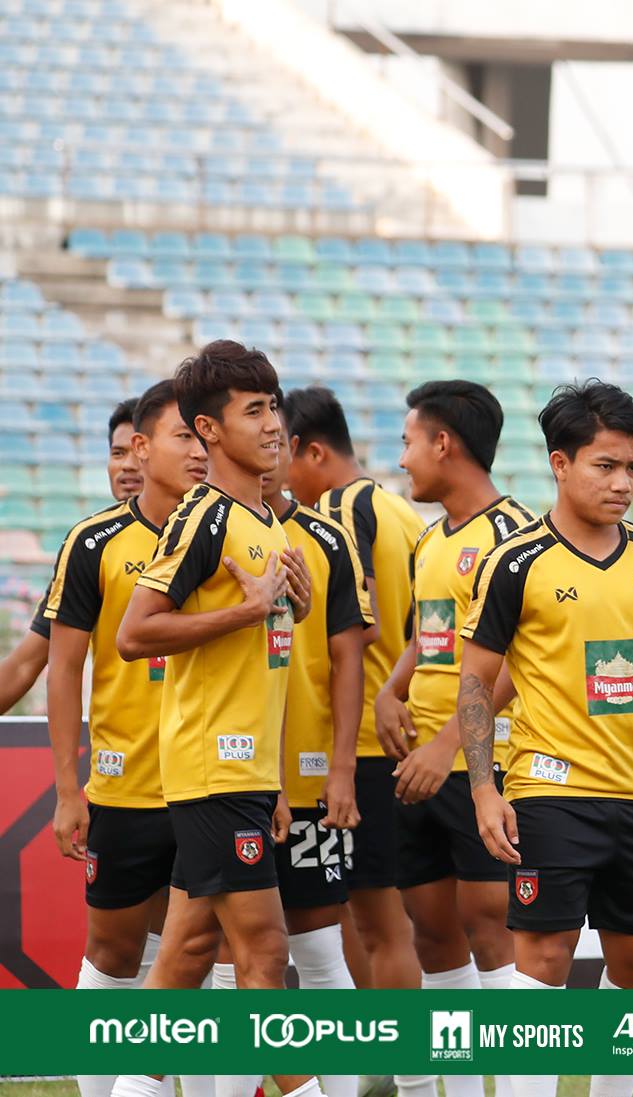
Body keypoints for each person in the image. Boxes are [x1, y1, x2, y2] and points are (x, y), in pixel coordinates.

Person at [457, 381, 633, 1097]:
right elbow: (477, 682)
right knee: (544, 960)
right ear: (560, 463)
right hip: (549, 791)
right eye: (605, 465)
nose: (623, 482)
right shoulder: (516, 562)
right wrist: (485, 788)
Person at [111, 341, 328, 1097]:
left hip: (239, 773)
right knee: (264, 957)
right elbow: (134, 633)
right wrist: (246, 608)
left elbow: (259, 670)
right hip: (210, 767)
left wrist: (269, 779)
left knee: (186, 957)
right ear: (209, 429)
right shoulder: (203, 519)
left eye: (275, 405)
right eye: (254, 411)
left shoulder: (266, 522)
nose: (275, 425)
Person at [44, 382, 205, 1097]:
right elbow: (63, 666)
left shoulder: (228, 533)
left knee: (211, 957)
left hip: (214, 787)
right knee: (112, 953)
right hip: (125, 788)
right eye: (183, 437)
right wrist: (66, 788)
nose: (199, 451)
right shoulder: (94, 541)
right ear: (142, 447)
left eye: (205, 437)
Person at [376, 381, 533, 1097]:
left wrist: (447, 746)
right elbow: (429, 631)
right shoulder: (432, 537)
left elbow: (517, 663)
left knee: (489, 924)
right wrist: (392, 687)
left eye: (409, 441)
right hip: (418, 767)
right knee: (431, 930)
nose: (402, 458)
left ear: (445, 443)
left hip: (482, 765)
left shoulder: (518, 538)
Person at [282, 384, 424, 990]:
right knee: (381, 919)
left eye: (283, 454)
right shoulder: (403, 512)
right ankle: (389, 1069)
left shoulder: (336, 516)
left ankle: (392, 1069)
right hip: (402, 733)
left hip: (362, 739)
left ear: (312, 453)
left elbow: (352, 630)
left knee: (372, 922)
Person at [262, 409, 373, 1097]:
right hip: (221, 778)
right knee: (215, 955)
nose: (268, 450)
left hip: (306, 777)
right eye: (259, 434)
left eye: (278, 440)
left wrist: (340, 769)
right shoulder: (203, 529)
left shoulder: (327, 538)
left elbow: (347, 657)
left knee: (319, 949)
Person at [0, 398, 142, 713]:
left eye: (140, 451)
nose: (127, 465)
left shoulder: (208, 534)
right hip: (121, 752)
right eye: (118, 453)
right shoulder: (90, 545)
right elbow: (26, 663)